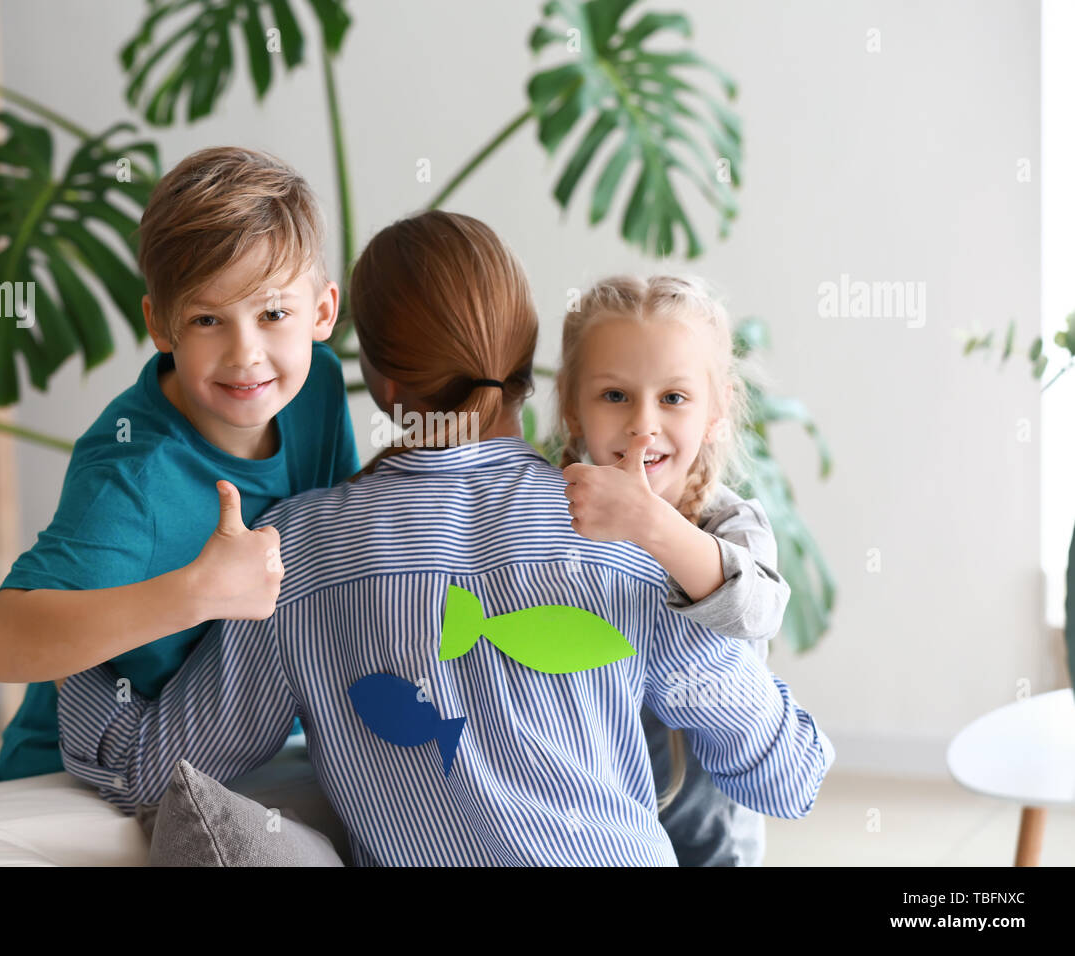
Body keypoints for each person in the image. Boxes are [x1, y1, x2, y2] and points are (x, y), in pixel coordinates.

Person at [55, 209, 834, 865]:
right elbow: (787, 779)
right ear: (529, 365)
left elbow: (144, 770)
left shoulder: (293, 554)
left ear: (384, 384)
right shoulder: (628, 532)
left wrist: (75, 629)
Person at [0, 146, 360, 781]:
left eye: (273, 314)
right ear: (160, 324)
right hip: (78, 779)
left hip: (230, 752)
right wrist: (196, 592)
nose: (246, 354)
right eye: (208, 319)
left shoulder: (317, 386)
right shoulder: (131, 475)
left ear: (321, 312)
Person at [556, 274, 791, 865]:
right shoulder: (555, 516)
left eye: (674, 398)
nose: (643, 424)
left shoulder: (730, 523)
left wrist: (651, 525)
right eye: (615, 396)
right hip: (599, 819)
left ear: (717, 410)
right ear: (571, 407)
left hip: (711, 835)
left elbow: (757, 608)